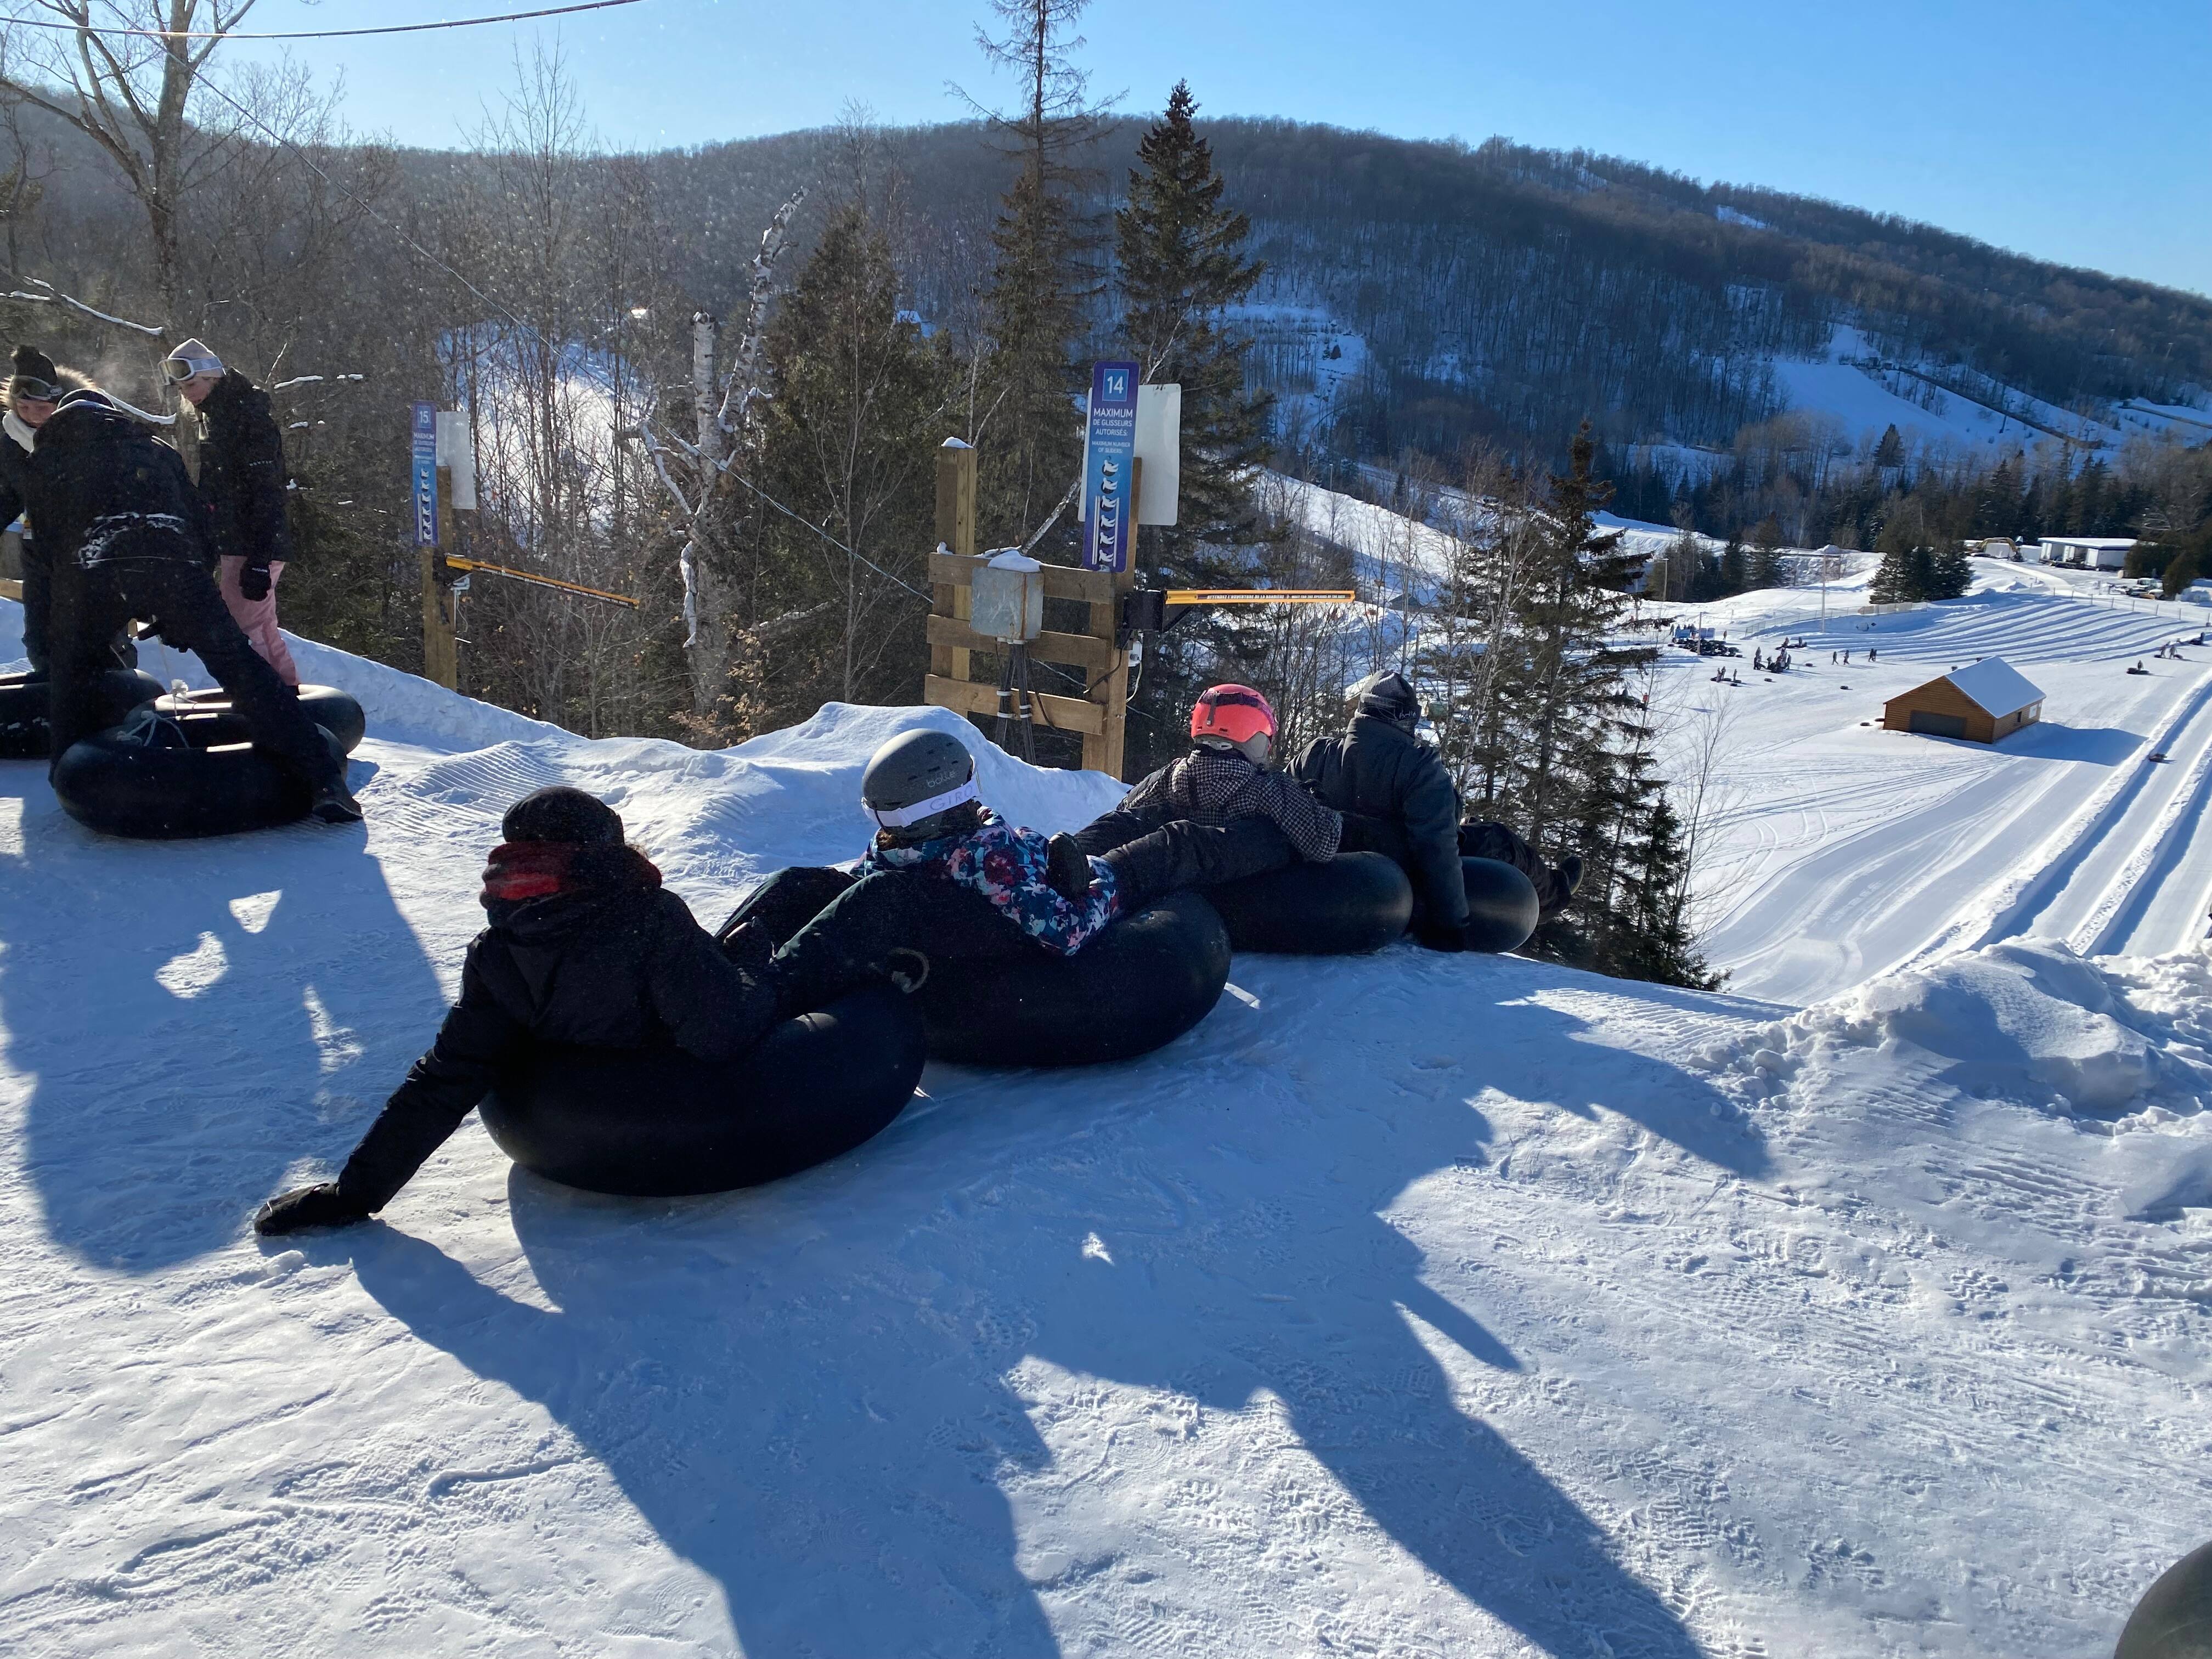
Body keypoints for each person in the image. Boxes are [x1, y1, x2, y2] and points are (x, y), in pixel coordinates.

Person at [254, 787, 781, 1233]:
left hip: (565, 1122)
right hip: (668, 1109)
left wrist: (353, 1194)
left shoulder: (502, 945)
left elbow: (447, 1074)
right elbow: (724, 1032)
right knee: (802, 930)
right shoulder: (649, 918)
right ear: (602, 849)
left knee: (787, 890)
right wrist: (755, 967)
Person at [34, 385, 360, 821]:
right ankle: (325, 780)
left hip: (95, 567)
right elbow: (199, 522)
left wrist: (75, 612)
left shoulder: (47, 458)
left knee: (72, 670)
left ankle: (72, 779)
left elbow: (47, 546)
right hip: (176, 564)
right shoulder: (156, 449)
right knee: (240, 667)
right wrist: (187, 601)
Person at [723, 729, 1132, 1014]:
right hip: (982, 933)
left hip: (986, 901)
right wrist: (1108, 878)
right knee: (796, 883)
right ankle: (726, 980)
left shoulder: (899, 851)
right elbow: (1067, 931)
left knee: (1117, 825)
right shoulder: (987, 858)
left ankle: (733, 978)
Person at [1294, 669, 1579, 947]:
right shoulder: (1418, 767)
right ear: (1406, 719)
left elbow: (1283, 808)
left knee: (1467, 827)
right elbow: (1436, 848)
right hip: (1400, 875)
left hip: (1330, 866)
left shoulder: (1316, 753)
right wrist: (1450, 924)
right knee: (1496, 838)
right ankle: (1556, 893)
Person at [1050, 682, 1340, 903]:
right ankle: (1102, 879)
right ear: (1253, 736)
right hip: (1226, 892)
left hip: (1160, 883)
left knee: (1126, 823)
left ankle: (1055, 859)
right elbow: (1323, 844)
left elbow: (1127, 809)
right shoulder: (1267, 788)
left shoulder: (1169, 777)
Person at [164, 338, 299, 686]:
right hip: (236, 541)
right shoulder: (214, 417)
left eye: (192, 384)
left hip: (254, 542)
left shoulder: (246, 416)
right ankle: (279, 699)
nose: (187, 393)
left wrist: (259, 558)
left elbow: (266, 490)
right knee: (257, 627)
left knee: (248, 629)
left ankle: (278, 703)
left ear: (213, 377)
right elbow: (214, 493)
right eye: (181, 388)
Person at [0, 345, 117, 677]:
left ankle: (111, 701)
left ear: (59, 404)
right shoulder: (10, 438)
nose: (33, 415)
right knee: (40, 638)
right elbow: (11, 493)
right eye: (23, 406)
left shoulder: (87, 433)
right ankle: (53, 709)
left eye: (41, 407)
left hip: (92, 548)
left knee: (95, 638)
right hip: (38, 546)